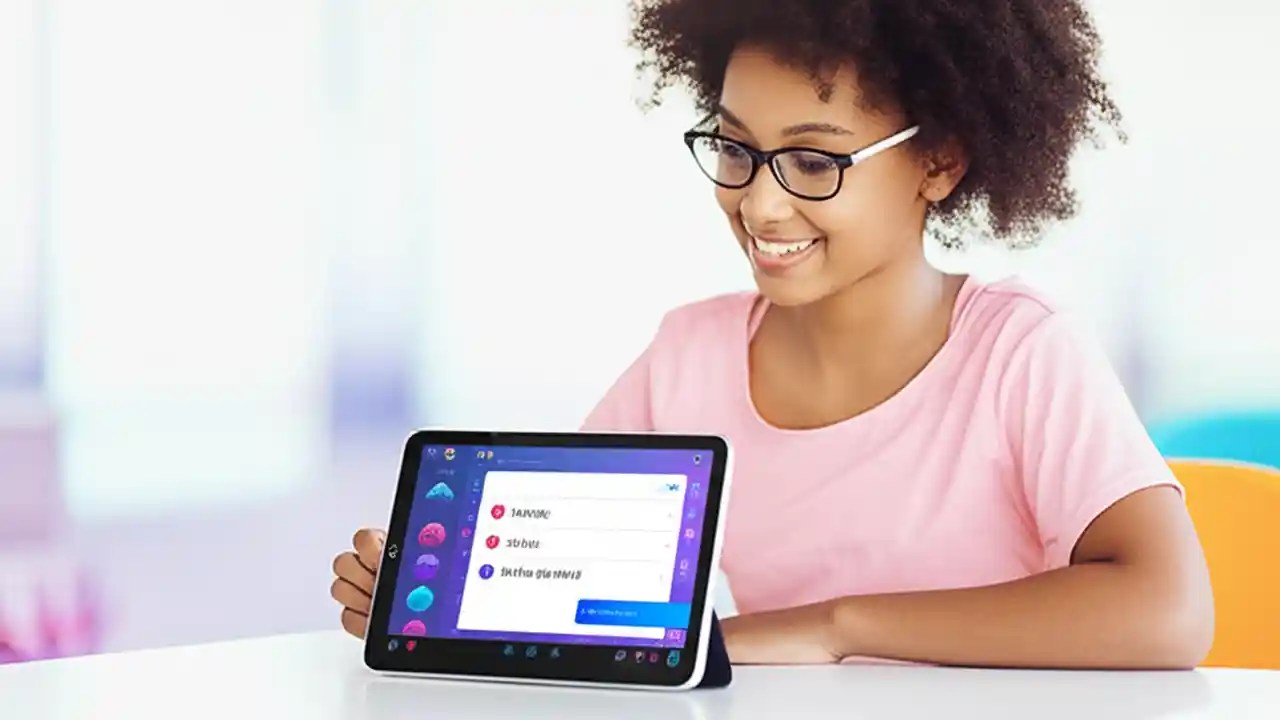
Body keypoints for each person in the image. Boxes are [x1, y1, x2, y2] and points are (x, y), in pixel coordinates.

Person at [330, 0, 1214, 668]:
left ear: (939, 161)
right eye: (735, 147)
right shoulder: (690, 359)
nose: (758, 203)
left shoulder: (1021, 353)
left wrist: (835, 628)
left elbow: (1170, 613)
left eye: (813, 161)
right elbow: (562, 574)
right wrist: (430, 589)